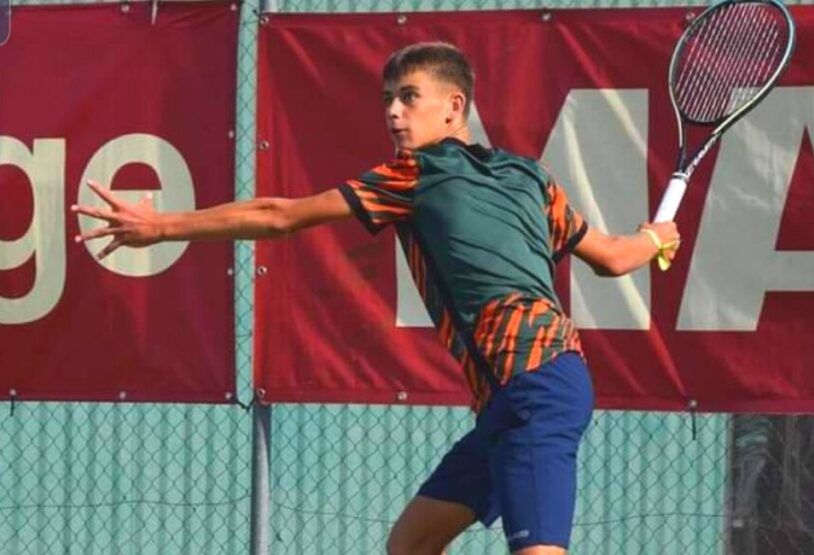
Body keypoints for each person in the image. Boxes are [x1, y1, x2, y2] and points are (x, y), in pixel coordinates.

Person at [73, 42, 679, 555]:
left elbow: (279, 216)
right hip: (519, 396)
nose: (392, 111)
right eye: (388, 98)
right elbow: (614, 257)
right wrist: (654, 237)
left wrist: (161, 227)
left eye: (409, 97)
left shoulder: (418, 175)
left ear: (454, 107)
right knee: (409, 544)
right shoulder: (531, 177)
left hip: (536, 388)